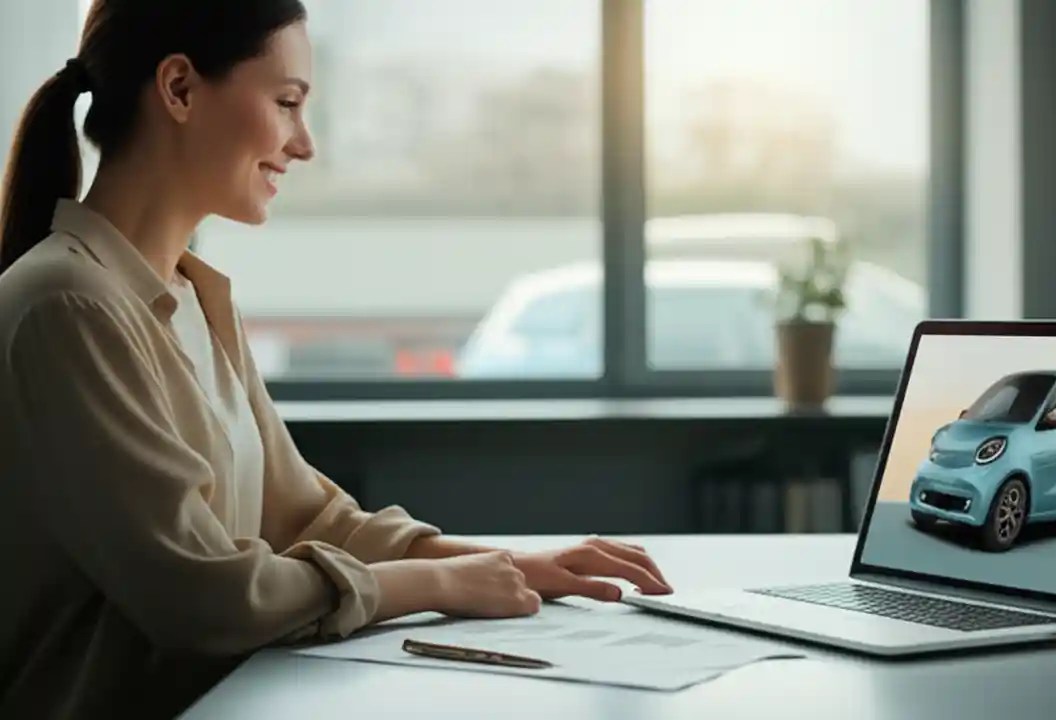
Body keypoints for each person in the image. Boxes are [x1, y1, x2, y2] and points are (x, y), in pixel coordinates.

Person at [0, 2, 672, 717]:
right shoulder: (67, 307)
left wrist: (508, 566)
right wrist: (438, 586)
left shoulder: (189, 295)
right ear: (179, 90)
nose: (304, 144)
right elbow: (203, 597)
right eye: (287, 103)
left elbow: (310, 521)